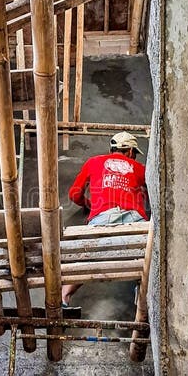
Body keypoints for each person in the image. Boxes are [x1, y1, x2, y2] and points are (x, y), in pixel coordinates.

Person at [62, 131, 149, 306]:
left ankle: (64, 297)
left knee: (87, 257)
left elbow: (74, 194)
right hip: (135, 221)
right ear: (131, 151)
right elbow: (150, 196)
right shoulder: (141, 169)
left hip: (103, 218)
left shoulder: (93, 162)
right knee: (146, 258)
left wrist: (88, 204)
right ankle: (143, 298)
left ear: (112, 149)